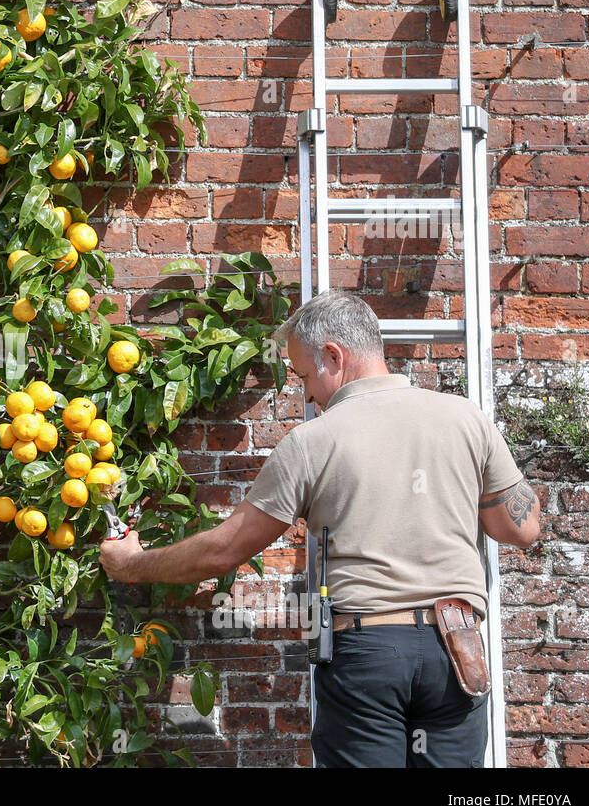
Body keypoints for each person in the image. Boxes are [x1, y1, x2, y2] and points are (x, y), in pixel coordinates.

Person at [99, 290, 540, 767]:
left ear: (335, 355)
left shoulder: (312, 443)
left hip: (368, 652)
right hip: (457, 650)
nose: (307, 394)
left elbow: (224, 552)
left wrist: (134, 564)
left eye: (306, 377)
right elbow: (522, 529)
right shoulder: (466, 419)